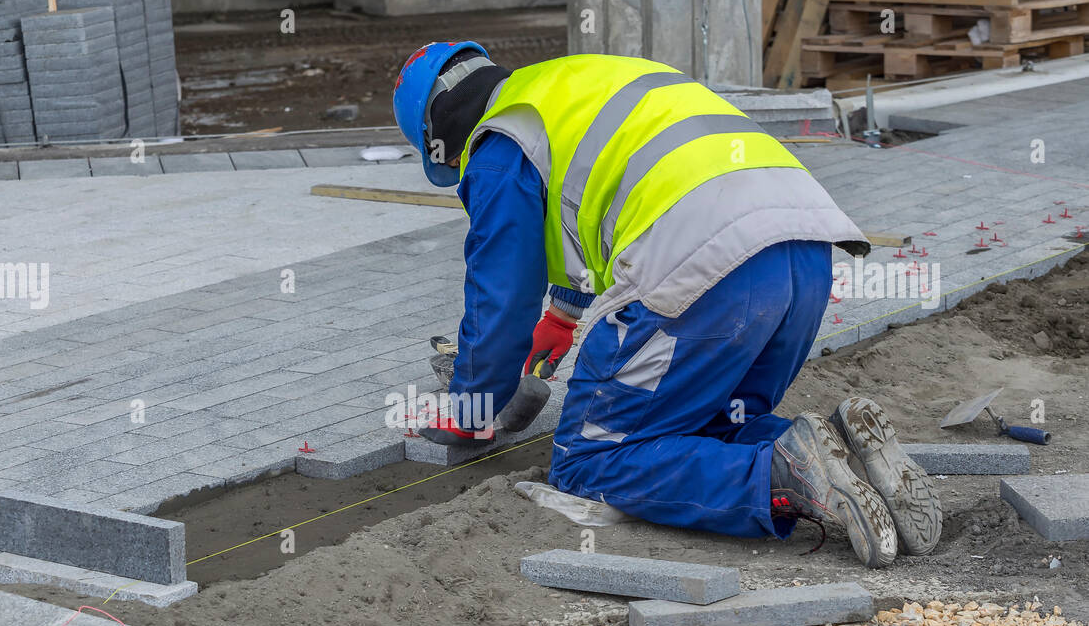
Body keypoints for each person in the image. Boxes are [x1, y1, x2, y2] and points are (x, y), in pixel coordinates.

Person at [392, 43, 941, 567]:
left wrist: (471, 406)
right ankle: (853, 456)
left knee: (592, 458)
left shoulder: (497, 143)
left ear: (439, 130)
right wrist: (562, 314)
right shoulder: (562, 87)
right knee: (700, 425)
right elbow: (593, 197)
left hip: (708, 267)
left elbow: (499, 295)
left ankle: (780, 473)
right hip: (804, 255)